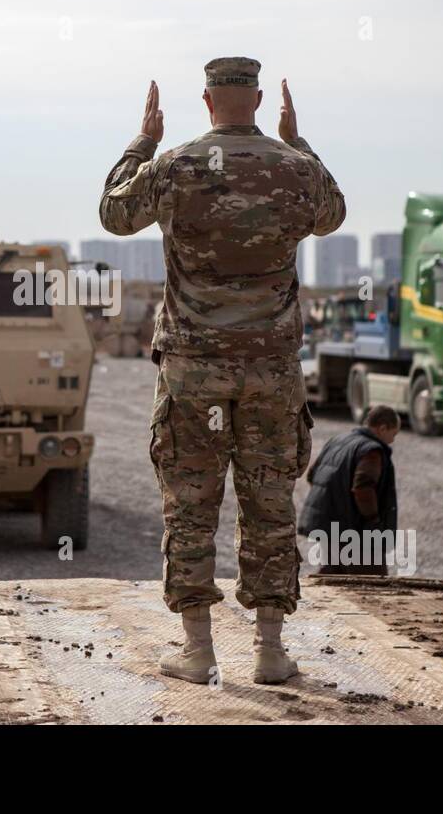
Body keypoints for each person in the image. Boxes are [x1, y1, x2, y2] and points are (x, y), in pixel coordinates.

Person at [99, 58, 346, 685]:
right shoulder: (295, 171)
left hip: (193, 369)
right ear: (259, 100)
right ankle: (268, 650)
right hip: (271, 369)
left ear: (207, 101)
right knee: (269, 500)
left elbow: (113, 213)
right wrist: (299, 143)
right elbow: (334, 211)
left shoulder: (175, 165)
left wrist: (142, 144)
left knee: (191, 501)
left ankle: (198, 648)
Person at [299, 405, 400, 574]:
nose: (392, 441)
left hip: (330, 529)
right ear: (383, 428)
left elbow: (313, 475)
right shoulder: (371, 451)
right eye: (393, 434)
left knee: (333, 578)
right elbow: (363, 488)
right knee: (371, 586)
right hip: (356, 533)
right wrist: (374, 522)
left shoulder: (338, 440)